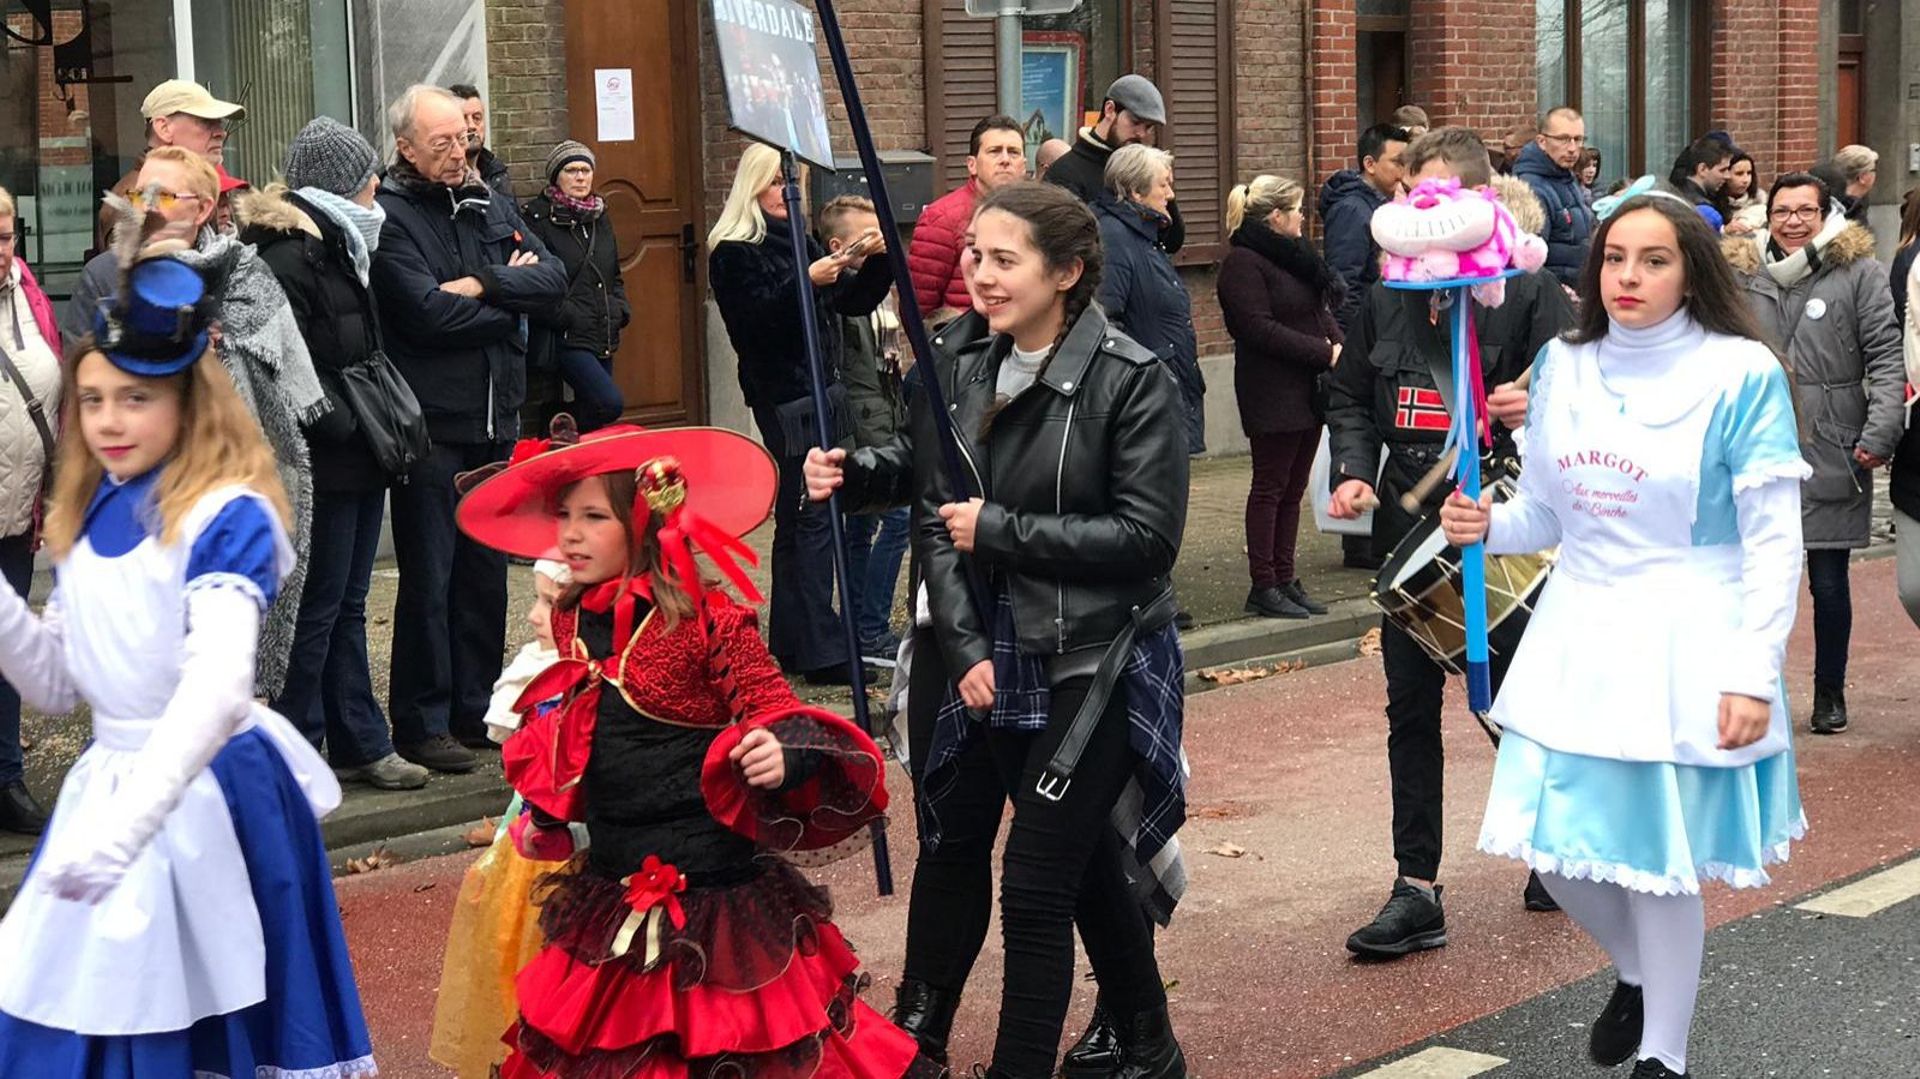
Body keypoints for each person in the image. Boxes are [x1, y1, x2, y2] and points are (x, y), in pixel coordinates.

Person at [810, 181, 1192, 1079]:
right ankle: (1143, 1035)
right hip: (983, 639)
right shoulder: (958, 359)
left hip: (1095, 652)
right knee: (1028, 845)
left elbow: (1148, 540)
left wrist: (1002, 532)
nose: (979, 275)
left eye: (1003, 259)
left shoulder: (1132, 378)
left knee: (1035, 878)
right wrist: (858, 471)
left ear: (1066, 272)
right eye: (975, 255)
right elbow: (934, 481)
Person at [1445, 191, 1810, 1079]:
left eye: (1653, 259)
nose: (1629, 277)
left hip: (1688, 631)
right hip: (1579, 628)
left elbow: (1773, 541)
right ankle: (1642, 973)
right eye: (1615, 258)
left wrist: (1752, 673)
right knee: (1552, 845)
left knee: (1658, 857)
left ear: (1693, 271)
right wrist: (1486, 522)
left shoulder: (1740, 372)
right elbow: (1545, 514)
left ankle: (1665, 1056)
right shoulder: (1563, 366)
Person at [453, 425, 942, 1079]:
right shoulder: (570, 616)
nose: (569, 532)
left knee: (741, 1042)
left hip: (715, 893)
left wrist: (780, 750)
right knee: (611, 1044)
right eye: (563, 514)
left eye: (592, 515)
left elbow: (774, 708)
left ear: (645, 519)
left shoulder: (707, 619)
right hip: (613, 880)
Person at [0, 254, 373, 1076]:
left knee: (193, 1021)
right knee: (70, 1006)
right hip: (115, 785)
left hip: (213, 792)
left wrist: (124, 827)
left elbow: (216, 688)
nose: (108, 419)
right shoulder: (93, 504)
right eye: (92, 399)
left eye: (136, 398)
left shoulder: (224, 513)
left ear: (187, 400)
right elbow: (62, 684)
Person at [1326, 126, 1575, 957]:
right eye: (1406, 193)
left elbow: (1586, 400)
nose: (1413, 210)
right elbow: (1351, 395)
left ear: (1476, 199)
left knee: (1517, 695)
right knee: (1409, 705)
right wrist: (1353, 471)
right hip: (1408, 513)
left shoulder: (1533, 292)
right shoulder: (1384, 294)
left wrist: (1534, 408)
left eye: (1431, 194)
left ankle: (1555, 840)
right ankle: (1416, 885)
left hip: (1507, 513)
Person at [67, 146, 325, 702]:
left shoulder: (244, 270)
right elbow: (92, 371)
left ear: (204, 207)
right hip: (141, 483)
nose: (149, 207)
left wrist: (219, 340)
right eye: (140, 194)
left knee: (223, 659)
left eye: (164, 195)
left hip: (228, 468)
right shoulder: (110, 274)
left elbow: (287, 372)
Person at [374, 84, 569, 772]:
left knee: (485, 573)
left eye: (463, 137)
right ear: (405, 148)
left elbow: (553, 279)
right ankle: (422, 723)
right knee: (431, 577)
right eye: (442, 143)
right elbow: (423, 314)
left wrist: (485, 287)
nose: (459, 153)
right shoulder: (392, 219)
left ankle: (476, 708)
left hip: (497, 419)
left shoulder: (490, 199)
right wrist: (509, 307)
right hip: (435, 424)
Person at [236, 117, 431, 792]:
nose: (376, 190)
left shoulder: (338, 245)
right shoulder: (292, 256)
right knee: (317, 607)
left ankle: (359, 738)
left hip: (356, 452)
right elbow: (297, 370)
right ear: (337, 187)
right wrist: (352, 426)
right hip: (327, 456)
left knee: (346, 603)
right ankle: (299, 743)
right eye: (365, 179)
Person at [1725, 171, 1903, 735]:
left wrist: (1879, 433)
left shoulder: (1859, 272)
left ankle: (1830, 692)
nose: (1794, 221)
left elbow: (1886, 354)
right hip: (1754, 437)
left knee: (1827, 580)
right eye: (1783, 211)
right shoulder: (1741, 272)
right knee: (1745, 577)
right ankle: (1750, 687)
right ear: (1767, 215)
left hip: (1832, 440)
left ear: (1827, 214)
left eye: (1806, 210)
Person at [707, 142, 891, 685]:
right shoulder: (734, 249)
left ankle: (793, 641)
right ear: (754, 188)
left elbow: (852, 302)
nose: (789, 194)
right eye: (777, 184)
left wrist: (876, 259)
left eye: (796, 184)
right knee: (814, 518)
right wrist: (807, 281)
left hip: (821, 389)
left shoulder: (800, 237)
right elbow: (755, 324)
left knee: (801, 518)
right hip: (786, 398)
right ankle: (821, 646)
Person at [430, 554, 576, 1079]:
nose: (535, 617)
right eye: (536, 599)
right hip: (531, 845)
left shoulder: (585, 683)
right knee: (515, 965)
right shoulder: (538, 673)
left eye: (549, 603)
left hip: (576, 857)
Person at [1218, 174, 1341, 620]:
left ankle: (1286, 577)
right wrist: (1324, 352)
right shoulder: (1243, 263)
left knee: (1294, 488)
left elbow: (1317, 309)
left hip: (1308, 387)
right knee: (1270, 485)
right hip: (1271, 388)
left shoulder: (1295, 256)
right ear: (1276, 216)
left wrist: (1338, 345)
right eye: (1298, 210)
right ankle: (1263, 583)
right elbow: (1256, 327)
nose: (1304, 218)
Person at [824, 195, 913, 661]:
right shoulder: (840, 293)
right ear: (839, 244)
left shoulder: (879, 284)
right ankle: (871, 628)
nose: (878, 241)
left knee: (865, 527)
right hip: (861, 419)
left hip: (886, 408)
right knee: (895, 518)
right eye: (867, 234)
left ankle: (860, 627)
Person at [0, 185, 60, 835]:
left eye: (6, 235)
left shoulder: (29, 292)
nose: (0, 250)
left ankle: (6, 776)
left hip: (17, 509)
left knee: (9, 650)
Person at [1095, 144, 1205, 455]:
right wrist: (1139, 382)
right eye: (1163, 184)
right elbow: (1105, 319)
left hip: (1166, 392)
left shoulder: (1146, 237)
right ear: (1135, 192)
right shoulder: (1114, 238)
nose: (1170, 194)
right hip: (1146, 401)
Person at [522, 140, 631, 431]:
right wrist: (566, 316)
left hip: (603, 330)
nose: (580, 177)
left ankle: (569, 455)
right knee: (609, 404)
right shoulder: (537, 219)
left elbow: (613, 273)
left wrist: (621, 308)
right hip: (566, 336)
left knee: (596, 417)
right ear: (556, 175)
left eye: (586, 170)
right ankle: (552, 424)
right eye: (571, 170)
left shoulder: (599, 215)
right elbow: (534, 283)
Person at [95, 79, 243, 254]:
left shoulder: (193, 189)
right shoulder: (136, 199)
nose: (221, 132)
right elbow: (134, 276)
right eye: (206, 121)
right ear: (163, 128)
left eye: (219, 123)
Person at [1043, 74, 1186, 253]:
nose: (1141, 133)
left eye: (1148, 127)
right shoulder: (1064, 173)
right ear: (1110, 110)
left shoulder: (1143, 168)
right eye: (1135, 122)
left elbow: (1174, 241)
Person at [909, 115, 1028, 316]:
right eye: (995, 151)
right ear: (972, 164)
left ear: (1024, 165)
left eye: (1014, 152)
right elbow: (918, 306)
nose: (1005, 160)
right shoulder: (941, 219)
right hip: (965, 343)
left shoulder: (1036, 213)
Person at [1320, 123, 1411, 335]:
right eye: (1398, 163)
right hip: (1363, 335)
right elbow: (1344, 284)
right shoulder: (1351, 210)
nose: (1404, 172)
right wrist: (1348, 343)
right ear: (1370, 164)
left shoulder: (1380, 204)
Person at [1514, 106, 1596, 288]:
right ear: (1542, 141)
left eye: (1578, 139)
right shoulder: (1531, 188)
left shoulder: (1566, 177)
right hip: (1557, 296)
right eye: (1564, 139)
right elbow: (1531, 262)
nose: (1573, 149)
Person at [448, 83, 517, 204]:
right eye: (463, 118)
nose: (471, 126)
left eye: (476, 118)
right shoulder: (445, 179)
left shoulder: (497, 172)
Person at [1669, 136, 1733, 226]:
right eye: (1722, 170)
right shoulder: (1705, 212)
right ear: (1702, 169)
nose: (1728, 176)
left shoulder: (1672, 194)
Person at [1826, 145, 1879, 226]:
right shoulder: (1852, 211)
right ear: (1862, 177)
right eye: (1873, 170)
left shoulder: (1829, 203)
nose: (1875, 174)